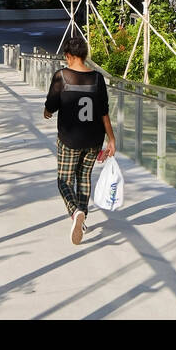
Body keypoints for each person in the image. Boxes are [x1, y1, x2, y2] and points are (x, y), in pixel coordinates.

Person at [43, 33, 116, 245]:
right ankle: (82, 217)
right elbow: (104, 112)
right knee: (84, 177)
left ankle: (75, 212)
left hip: (69, 139)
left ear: (68, 55)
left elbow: (51, 105)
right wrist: (111, 139)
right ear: (84, 55)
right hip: (94, 139)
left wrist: (47, 112)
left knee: (64, 180)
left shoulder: (61, 76)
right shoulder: (98, 78)